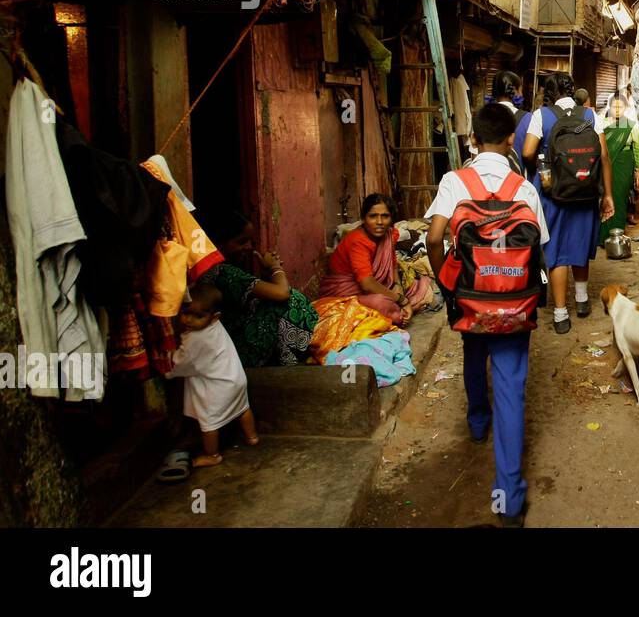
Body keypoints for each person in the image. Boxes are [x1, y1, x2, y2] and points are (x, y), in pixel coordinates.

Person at [424, 103, 549, 527]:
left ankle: (478, 422)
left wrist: (449, 283)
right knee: (512, 390)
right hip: (515, 304)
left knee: (474, 354)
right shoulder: (524, 187)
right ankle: (510, 500)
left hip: (470, 297)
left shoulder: (453, 181)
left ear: (473, 138)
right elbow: (539, 249)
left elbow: (435, 237)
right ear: (512, 138)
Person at [521, 72, 614, 333]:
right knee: (581, 240)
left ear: (549, 93)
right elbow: (604, 156)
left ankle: (561, 313)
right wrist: (607, 194)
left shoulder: (542, 115)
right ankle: (582, 299)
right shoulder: (590, 115)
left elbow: (528, 151)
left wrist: (542, 163)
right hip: (586, 190)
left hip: (553, 192)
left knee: (557, 250)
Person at [196, 209, 319, 368]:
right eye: (241, 241)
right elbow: (282, 293)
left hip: (227, 343)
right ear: (219, 242)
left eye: (251, 242)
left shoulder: (215, 269)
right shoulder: (225, 273)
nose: (249, 247)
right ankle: (289, 362)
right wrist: (275, 268)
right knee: (291, 301)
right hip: (233, 350)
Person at [165, 283, 259, 467]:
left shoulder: (196, 338)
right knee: (242, 408)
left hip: (218, 388)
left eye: (198, 316)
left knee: (209, 422)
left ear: (215, 317)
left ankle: (212, 455)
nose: (189, 320)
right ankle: (252, 436)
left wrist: (167, 361)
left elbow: (183, 363)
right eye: (186, 312)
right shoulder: (214, 327)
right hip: (235, 379)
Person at [317, 194, 435, 326]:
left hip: (377, 285)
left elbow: (392, 263)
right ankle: (396, 313)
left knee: (416, 286)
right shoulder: (357, 241)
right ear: (364, 219)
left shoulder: (389, 234)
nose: (379, 222)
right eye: (373, 216)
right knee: (382, 304)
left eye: (385, 216)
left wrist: (396, 285)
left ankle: (394, 311)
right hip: (345, 292)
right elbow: (367, 284)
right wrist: (402, 300)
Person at [598, 94, 639, 243]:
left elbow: (638, 148)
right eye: (614, 106)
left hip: (624, 164)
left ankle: (615, 235)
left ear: (625, 108)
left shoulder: (631, 125)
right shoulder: (602, 123)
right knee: (604, 196)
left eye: (620, 107)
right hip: (604, 164)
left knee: (620, 197)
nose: (617, 110)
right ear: (609, 107)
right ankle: (603, 235)